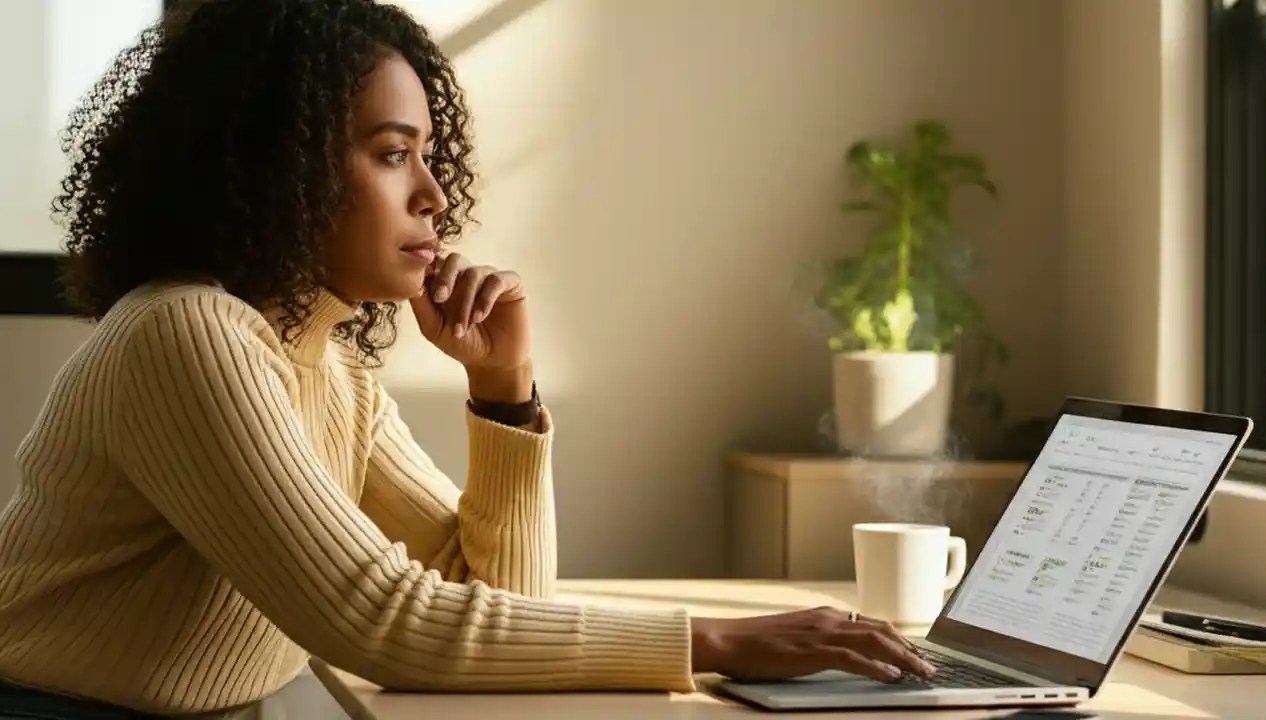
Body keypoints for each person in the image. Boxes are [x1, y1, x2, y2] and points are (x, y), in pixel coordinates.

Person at [0, 0, 935, 717]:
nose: (435, 195)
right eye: (393, 154)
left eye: (427, 155)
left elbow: (497, 599)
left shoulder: (328, 368)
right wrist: (721, 638)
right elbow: (384, 622)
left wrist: (503, 397)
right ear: (273, 165)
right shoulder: (187, 334)